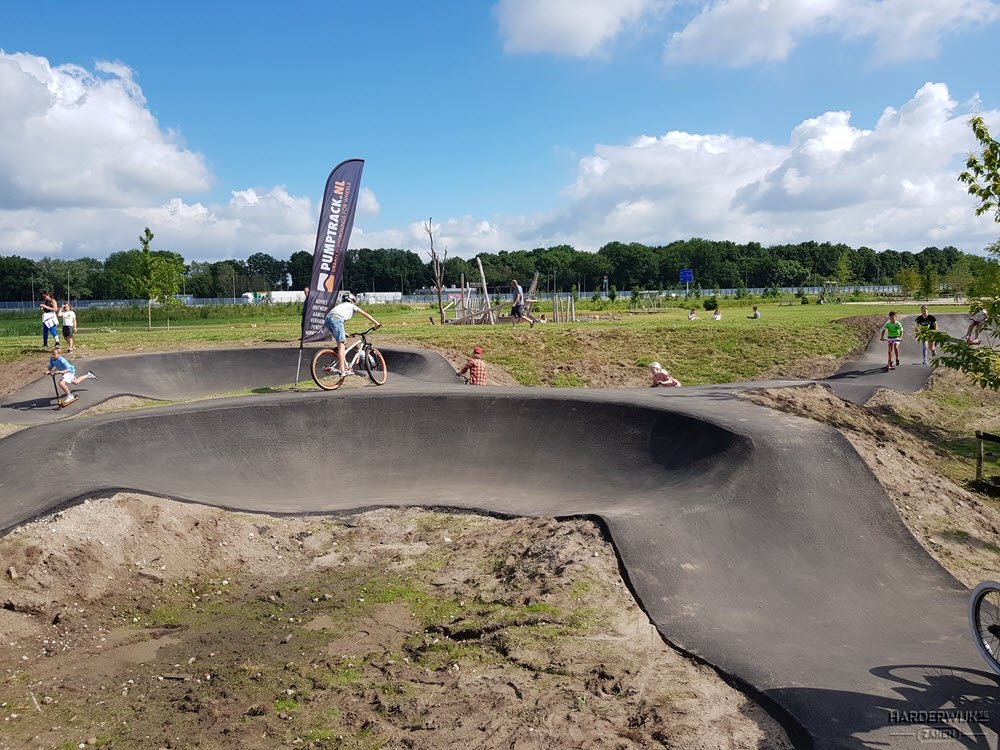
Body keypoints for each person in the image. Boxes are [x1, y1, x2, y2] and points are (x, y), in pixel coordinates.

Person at [322, 292, 381, 376]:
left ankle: (345, 366)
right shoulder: (351, 306)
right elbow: (365, 314)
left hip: (327, 320)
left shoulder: (340, 306)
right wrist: (376, 323)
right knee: (342, 345)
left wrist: (344, 333)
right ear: (352, 300)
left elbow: (334, 319)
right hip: (336, 319)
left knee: (341, 343)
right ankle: (342, 370)